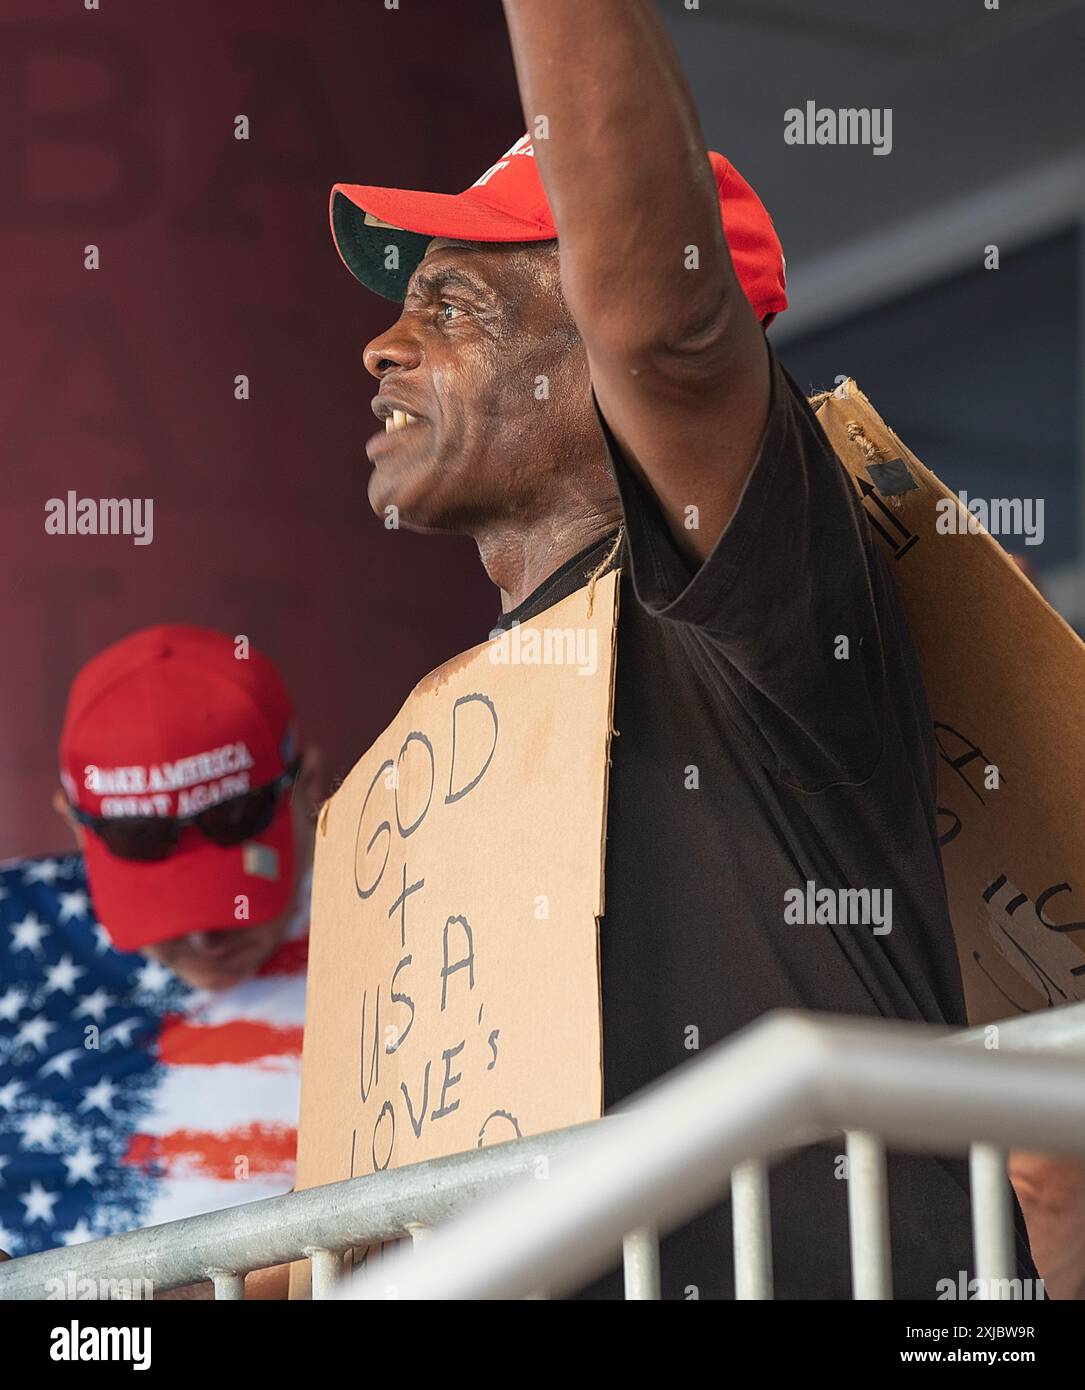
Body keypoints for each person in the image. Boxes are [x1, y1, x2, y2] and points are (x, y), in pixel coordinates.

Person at [322, 0, 1057, 1297]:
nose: (384, 344)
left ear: (591, 351)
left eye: (452, 304)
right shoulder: (450, 763)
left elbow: (664, 332)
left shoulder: (749, 596)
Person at [0, 625, 319, 1282]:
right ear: (75, 825)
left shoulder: (403, 915)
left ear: (308, 788)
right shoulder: (15, 926)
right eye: (165, 906)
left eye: (237, 894)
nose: (206, 939)